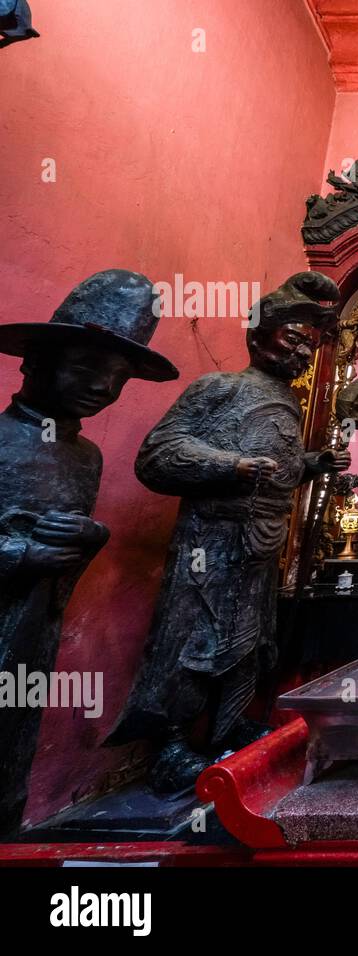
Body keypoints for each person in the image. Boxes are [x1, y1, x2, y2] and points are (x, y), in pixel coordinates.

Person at [105, 272, 350, 793]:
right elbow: (158, 454)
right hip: (211, 542)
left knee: (251, 641)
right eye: (293, 337)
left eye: (311, 342)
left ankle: (228, 728)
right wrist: (232, 465)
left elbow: (278, 468)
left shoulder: (287, 402)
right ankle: (170, 744)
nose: (303, 351)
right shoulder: (221, 388)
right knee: (197, 638)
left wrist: (312, 462)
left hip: (261, 543)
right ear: (258, 335)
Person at [0, 270, 177, 834]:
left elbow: (74, 538)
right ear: (34, 361)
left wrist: (85, 539)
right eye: (86, 368)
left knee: (11, 754)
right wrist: (20, 553)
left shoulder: (87, 458)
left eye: (117, 377)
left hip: (33, 627)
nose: (102, 387)